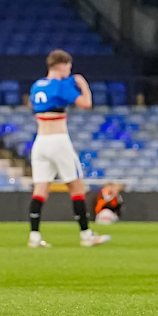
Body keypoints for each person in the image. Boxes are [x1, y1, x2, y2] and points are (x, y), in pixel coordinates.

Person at [28, 49, 111, 248]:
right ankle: (86, 234)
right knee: (76, 186)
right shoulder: (60, 87)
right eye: (68, 67)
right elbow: (86, 104)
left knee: (40, 189)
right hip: (58, 140)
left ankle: (34, 236)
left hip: (40, 141)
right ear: (61, 65)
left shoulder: (37, 85)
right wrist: (83, 85)